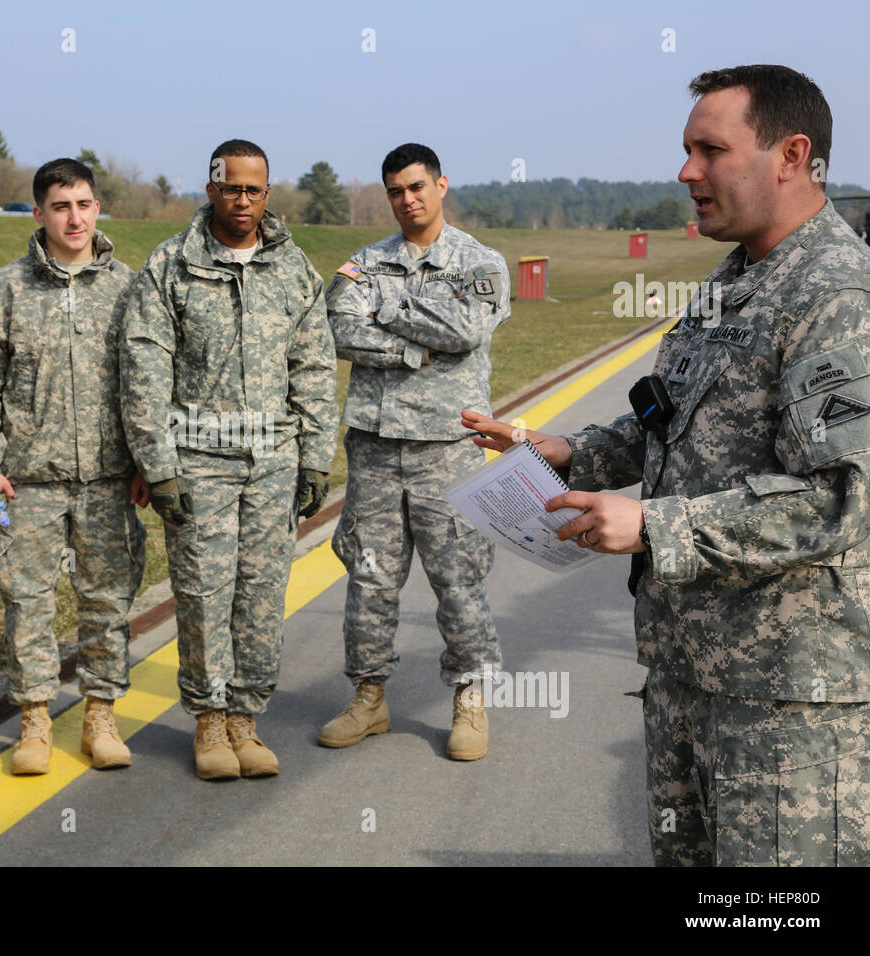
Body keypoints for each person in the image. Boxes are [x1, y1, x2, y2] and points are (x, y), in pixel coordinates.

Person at [464, 65, 870, 865]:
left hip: (789, 702)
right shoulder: (736, 282)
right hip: (688, 673)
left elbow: (840, 501)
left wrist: (654, 524)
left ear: (792, 156)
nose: (686, 172)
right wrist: (570, 452)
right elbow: (672, 418)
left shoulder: (839, 295)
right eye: (686, 150)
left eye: (710, 150)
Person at [119, 139, 338, 780]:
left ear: (267, 194)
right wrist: (158, 466)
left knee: (263, 592)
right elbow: (143, 372)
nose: (243, 200)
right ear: (211, 189)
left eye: (254, 189)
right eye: (231, 188)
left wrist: (316, 459)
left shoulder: (293, 269)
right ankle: (209, 721)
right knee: (204, 591)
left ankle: (247, 717)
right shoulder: (171, 268)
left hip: (274, 460)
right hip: (199, 461)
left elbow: (315, 368)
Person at [0, 158, 147, 775]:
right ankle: (34, 720)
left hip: (111, 480)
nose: (75, 217)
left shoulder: (129, 289)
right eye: (61, 206)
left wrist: (148, 461)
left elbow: (149, 385)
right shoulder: (5, 291)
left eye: (84, 204)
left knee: (107, 599)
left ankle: (99, 715)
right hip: (25, 482)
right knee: (26, 599)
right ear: (38, 213)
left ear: (98, 209)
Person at [320, 143, 510, 761]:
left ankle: (470, 698)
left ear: (442, 185)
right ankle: (368, 699)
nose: (408, 199)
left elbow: (466, 330)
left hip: (446, 447)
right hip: (374, 448)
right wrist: (410, 347)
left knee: (457, 579)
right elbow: (340, 325)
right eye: (396, 191)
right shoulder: (364, 261)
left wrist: (391, 304)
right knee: (369, 579)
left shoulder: (481, 263)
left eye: (418, 186)